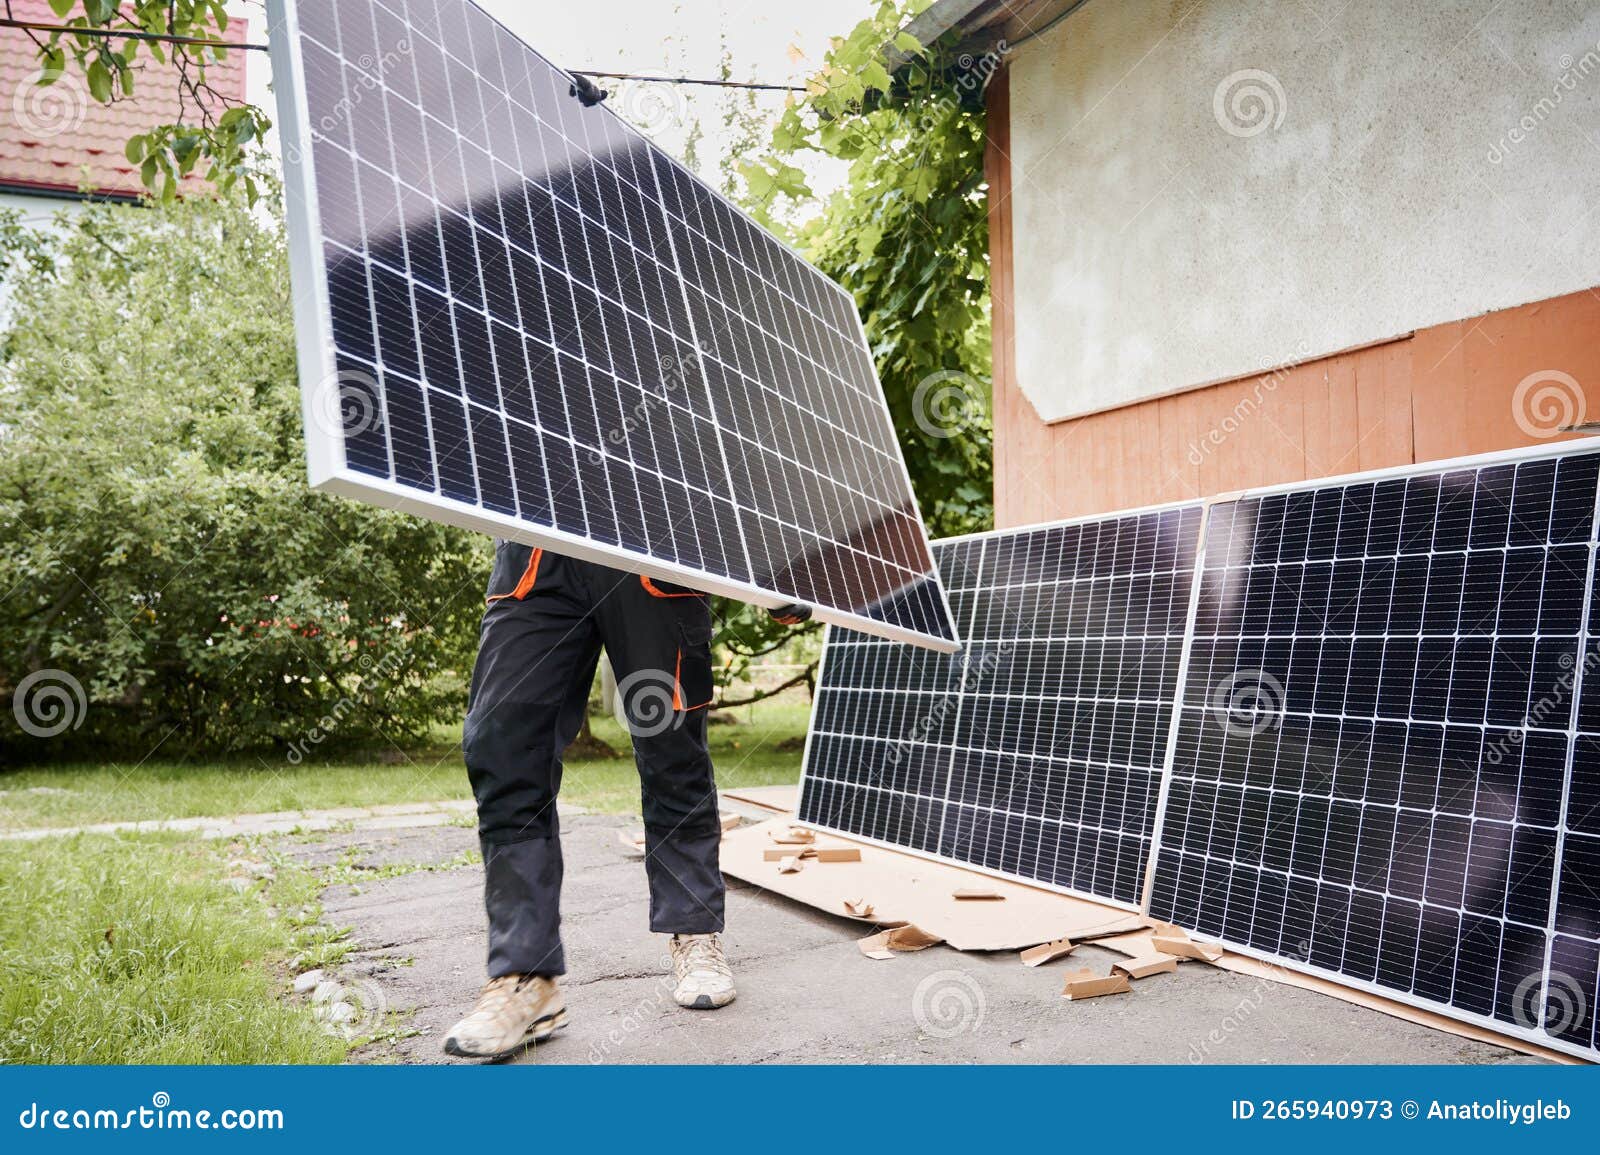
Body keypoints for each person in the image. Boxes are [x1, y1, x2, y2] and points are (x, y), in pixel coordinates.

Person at [442, 541, 809, 1060]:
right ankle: (524, 976)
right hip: (536, 554)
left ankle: (694, 931)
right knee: (502, 744)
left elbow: (740, 484)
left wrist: (774, 565)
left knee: (671, 746)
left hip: (655, 546)